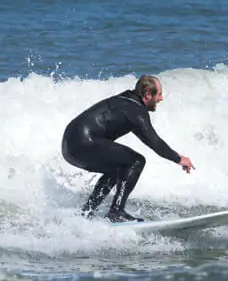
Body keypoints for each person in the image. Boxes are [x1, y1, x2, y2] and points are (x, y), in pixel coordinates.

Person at [61, 75, 195, 222]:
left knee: (116, 167)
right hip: (83, 142)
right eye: (159, 94)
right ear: (148, 95)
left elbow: (147, 137)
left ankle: (87, 212)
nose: (161, 99)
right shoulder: (135, 111)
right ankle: (116, 212)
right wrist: (179, 159)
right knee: (136, 161)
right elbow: (155, 142)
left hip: (70, 144)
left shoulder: (126, 102)